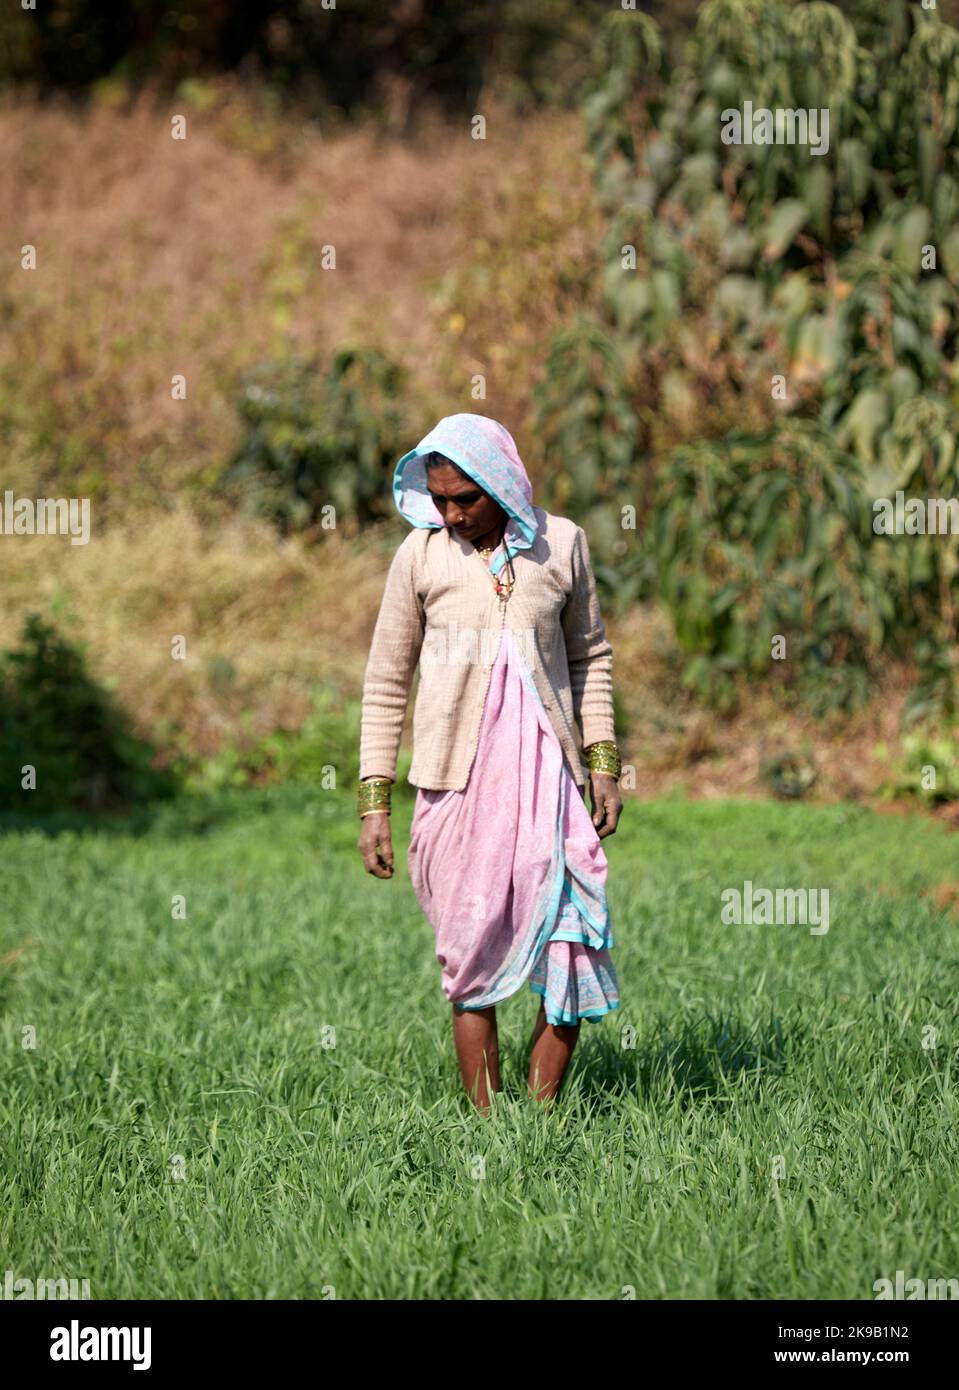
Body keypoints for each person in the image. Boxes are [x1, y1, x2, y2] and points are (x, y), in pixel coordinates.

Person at [357, 413, 622, 1111]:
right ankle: (485, 1128)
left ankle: (538, 1124)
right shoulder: (421, 556)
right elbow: (386, 679)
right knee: (469, 953)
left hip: (551, 786)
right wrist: (374, 804)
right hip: (457, 785)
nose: (450, 514)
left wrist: (601, 763)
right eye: (439, 499)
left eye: (465, 499)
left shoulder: (561, 545)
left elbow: (588, 656)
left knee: (570, 935)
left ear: (502, 484)